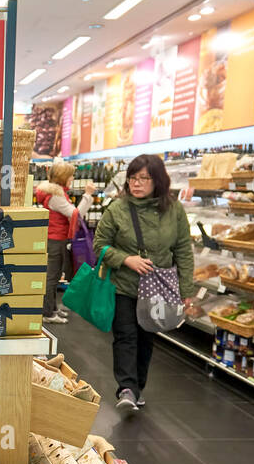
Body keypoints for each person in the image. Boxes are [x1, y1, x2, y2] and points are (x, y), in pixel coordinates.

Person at [92, 153, 200, 413]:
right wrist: (125, 259)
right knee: (126, 336)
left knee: (146, 336)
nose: (136, 184)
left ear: (158, 181)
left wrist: (187, 292)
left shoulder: (173, 210)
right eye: (132, 178)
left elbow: (183, 250)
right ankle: (126, 388)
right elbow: (99, 245)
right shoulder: (117, 208)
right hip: (124, 286)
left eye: (144, 178)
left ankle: (137, 386)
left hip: (158, 289)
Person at [34, 162, 91, 324]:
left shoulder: (57, 193)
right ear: (63, 177)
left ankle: (52, 308)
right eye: (71, 175)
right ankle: (47, 313)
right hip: (55, 240)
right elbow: (76, 215)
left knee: (54, 275)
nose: (73, 178)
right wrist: (87, 196)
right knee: (52, 277)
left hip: (55, 238)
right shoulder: (56, 196)